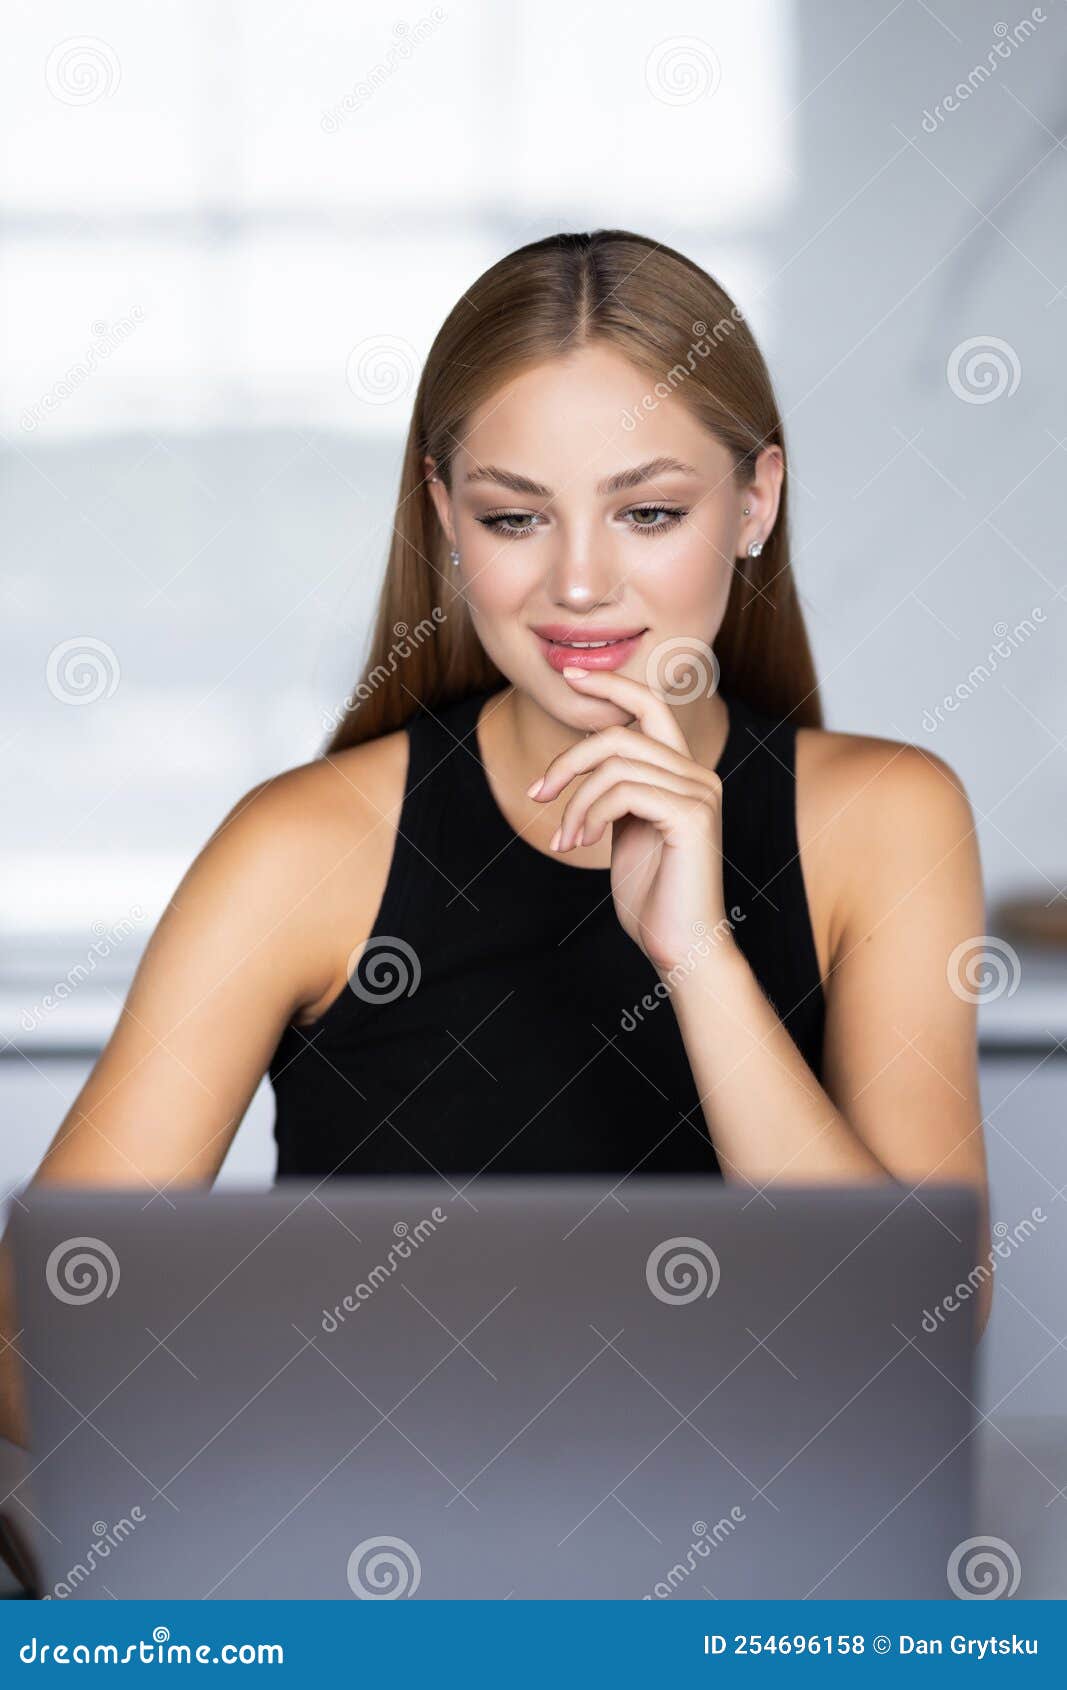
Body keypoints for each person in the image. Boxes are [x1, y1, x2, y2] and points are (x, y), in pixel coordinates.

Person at [0, 230, 991, 1445]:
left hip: (753, 1561)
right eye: (515, 518)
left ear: (754, 502)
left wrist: (698, 962)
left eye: (648, 511)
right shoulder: (299, 847)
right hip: (367, 1547)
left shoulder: (886, 820)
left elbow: (916, 1340)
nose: (577, 583)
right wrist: (318, 1443)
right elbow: (29, 1353)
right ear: (446, 520)